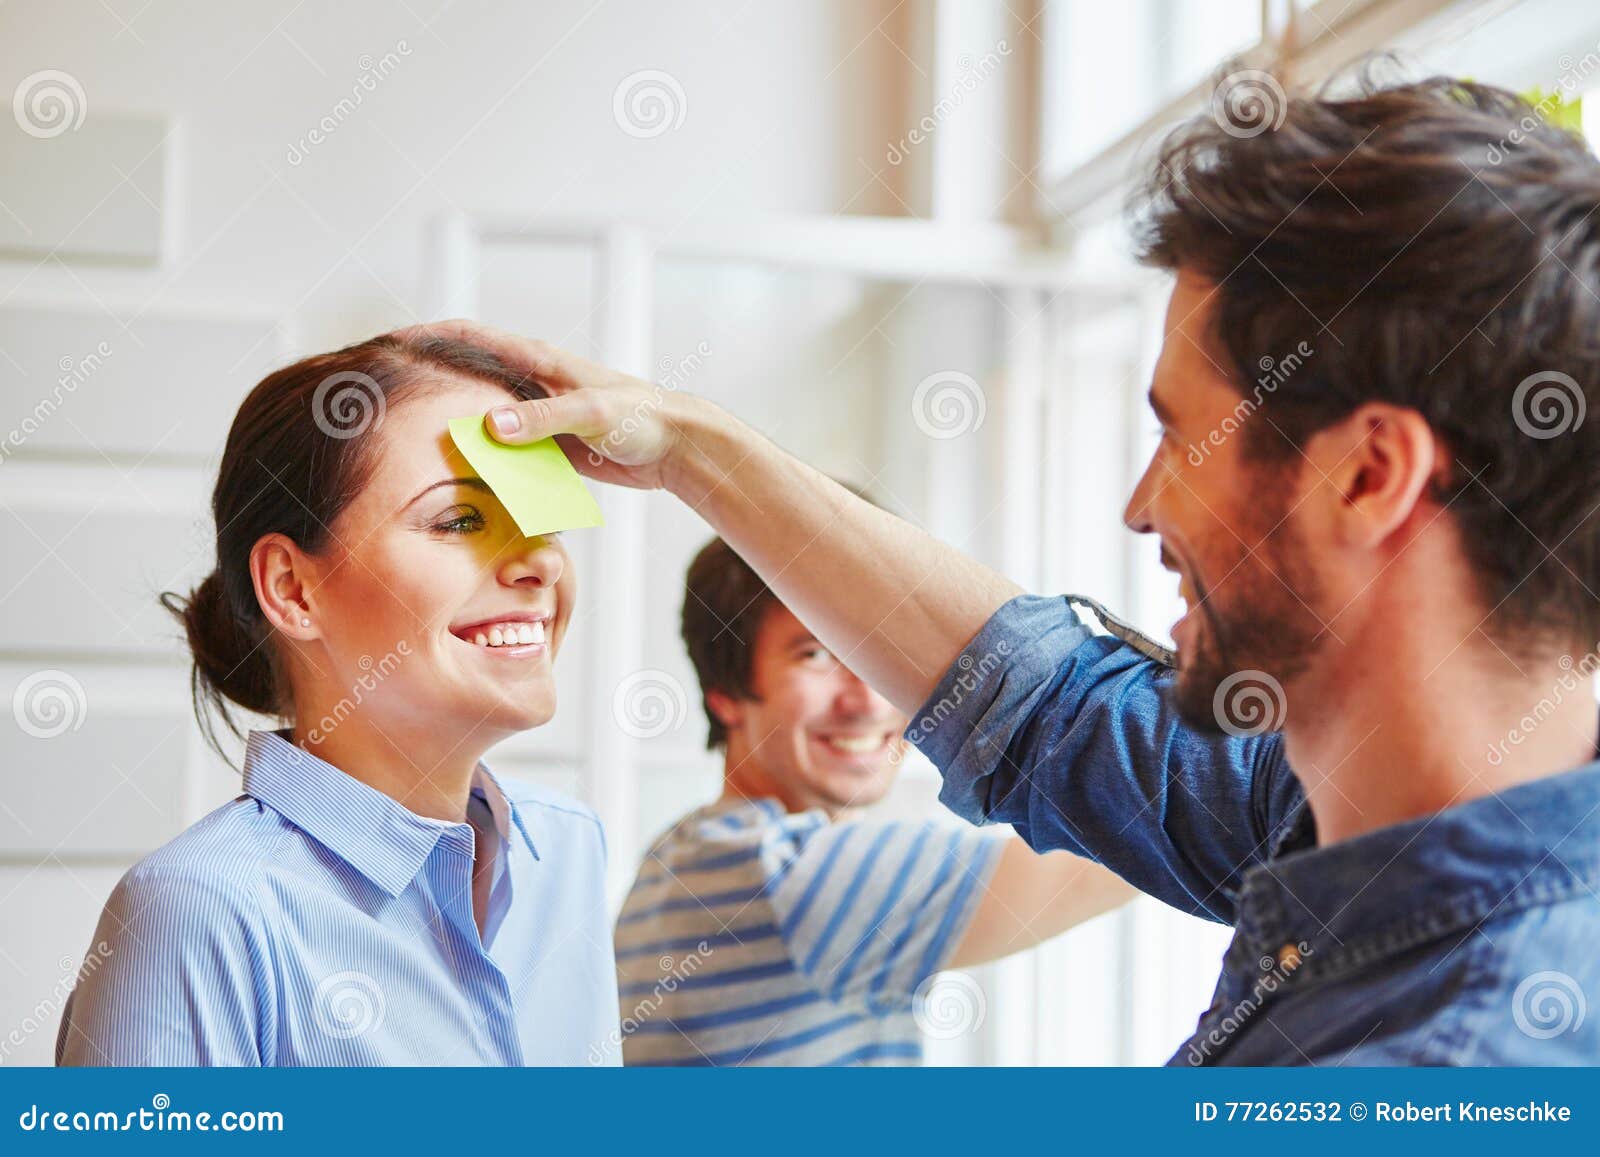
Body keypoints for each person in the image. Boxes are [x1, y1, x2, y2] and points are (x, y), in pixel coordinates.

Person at [436, 72, 1600, 1064]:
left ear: (1365, 475)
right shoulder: (1323, 801)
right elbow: (1043, 706)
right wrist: (697, 449)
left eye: (1175, 434)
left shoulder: (1468, 1054)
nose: (1143, 504)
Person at [56, 334, 618, 1066]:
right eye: (459, 520)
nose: (542, 559)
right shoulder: (195, 912)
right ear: (292, 588)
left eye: (546, 520)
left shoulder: (568, 850)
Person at [610, 534, 1133, 1066]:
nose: (867, 698)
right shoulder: (784, 872)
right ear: (724, 695)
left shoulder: (684, 852)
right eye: (814, 654)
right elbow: (1132, 833)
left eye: (881, 649)